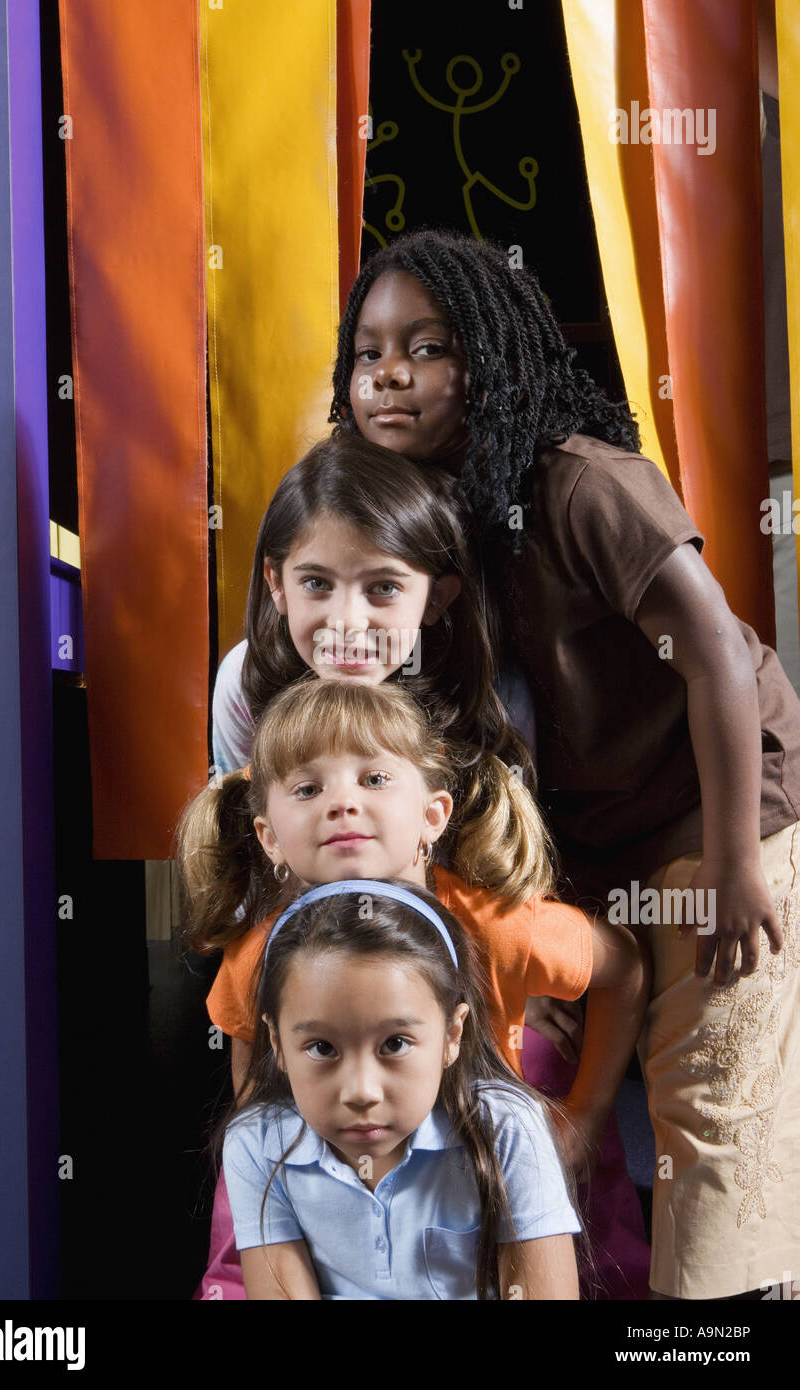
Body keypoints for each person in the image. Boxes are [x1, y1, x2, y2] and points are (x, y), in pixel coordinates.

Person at [328, 227, 800, 1300]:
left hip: (720, 809)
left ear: (492, 363)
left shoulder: (582, 483)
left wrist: (735, 865)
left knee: (708, 1105)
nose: (388, 372)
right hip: (585, 844)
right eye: (367, 352)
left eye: (427, 346)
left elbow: (717, 656)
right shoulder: (411, 529)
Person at [179, 678, 647, 1296]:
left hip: (472, 1168)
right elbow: (256, 1088)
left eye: (373, 779)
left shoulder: (503, 929)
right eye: (309, 788)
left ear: (433, 815)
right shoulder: (260, 957)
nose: (342, 804)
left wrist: (585, 1113)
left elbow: (625, 968)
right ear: (270, 837)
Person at [220, 878, 581, 1300]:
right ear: (278, 1044)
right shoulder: (256, 1143)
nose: (361, 1092)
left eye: (394, 1044)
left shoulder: (508, 1128)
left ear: (452, 1034)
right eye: (322, 1048)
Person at [210, 430, 531, 778]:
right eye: (317, 583)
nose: (347, 623)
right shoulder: (245, 681)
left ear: (436, 598)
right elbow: (241, 823)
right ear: (277, 584)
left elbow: (507, 829)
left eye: (384, 587)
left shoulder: (491, 697)